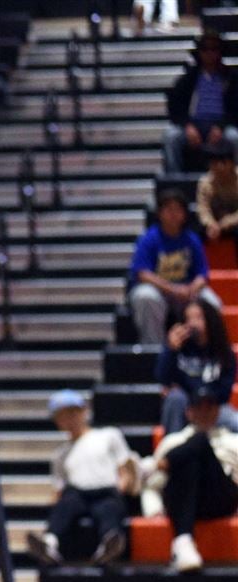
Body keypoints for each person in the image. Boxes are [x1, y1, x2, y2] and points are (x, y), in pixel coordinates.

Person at [27, 391, 136, 567]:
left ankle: (108, 545)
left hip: (106, 490)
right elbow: (58, 488)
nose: (69, 419)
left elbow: (125, 468)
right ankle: (49, 543)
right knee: (66, 505)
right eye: (62, 416)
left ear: (84, 411)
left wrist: (121, 488)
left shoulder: (109, 435)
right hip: (76, 493)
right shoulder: (60, 454)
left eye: (72, 412)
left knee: (109, 510)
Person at [143, 386, 238, 572]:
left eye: (209, 407)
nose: (204, 412)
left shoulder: (234, 441)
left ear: (218, 411)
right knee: (191, 456)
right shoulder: (172, 441)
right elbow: (152, 486)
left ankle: (153, 465)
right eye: (198, 407)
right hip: (183, 500)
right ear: (189, 411)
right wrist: (154, 511)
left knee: (200, 441)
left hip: (220, 498)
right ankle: (184, 541)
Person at [128, 189, 221, 345]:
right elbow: (142, 273)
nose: (173, 214)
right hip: (160, 292)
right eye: (169, 209)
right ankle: (154, 347)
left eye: (178, 209)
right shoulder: (148, 238)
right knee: (145, 296)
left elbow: (202, 273)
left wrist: (192, 288)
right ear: (160, 213)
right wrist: (172, 289)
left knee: (212, 302)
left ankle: (207, 349)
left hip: (186, 292)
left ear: (184, 214)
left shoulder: (192, 239)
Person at [156, 298, 238, 434]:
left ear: (210, 320)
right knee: (175, 398)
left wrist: (201, 398)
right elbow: (163, 379)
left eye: (198, 317)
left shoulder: (223, 351)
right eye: (188, 319)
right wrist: (170, 350)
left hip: (213, 409)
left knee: (235, 421)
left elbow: (225, 393)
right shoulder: (177, 348)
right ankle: (174, 447)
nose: (193, 323)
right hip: (186, 407)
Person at [164, 30, 238, 174]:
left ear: (220, 51)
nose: (209, 53)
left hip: (222, 126)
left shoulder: (232, 78)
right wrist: (187, 126)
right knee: (170, 136)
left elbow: (235, 109)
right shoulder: (189, 78)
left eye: (214, 49)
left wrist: (221, 126)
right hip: (193, 125)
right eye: (205, 49)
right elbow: (175, 106)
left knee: (235, 138)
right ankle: (174, 180)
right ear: (199, 52)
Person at [196, 141, 238, 265]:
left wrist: (226, 222)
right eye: (213, 163)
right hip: (214, 225)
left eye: (222, 163)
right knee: (194, 232)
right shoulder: (205, 182)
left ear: (231, 163)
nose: (218, 167)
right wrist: (210, 224)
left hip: (234, 223)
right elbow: (203, 208)